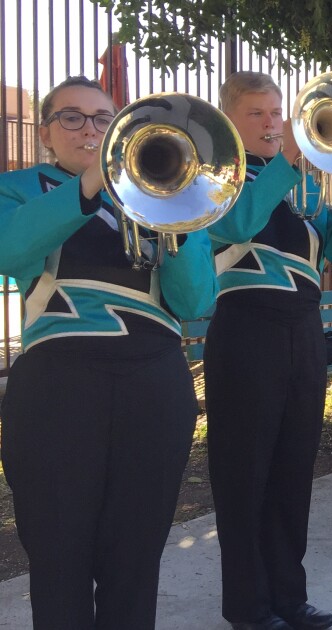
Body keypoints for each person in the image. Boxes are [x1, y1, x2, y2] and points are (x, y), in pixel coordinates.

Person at [0, 76, 218, 628]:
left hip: (155, 386)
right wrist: (93, 183)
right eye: (71, 117)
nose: (89, 129)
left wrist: (183, 218)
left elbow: (195, 300)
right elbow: (10, 249)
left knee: (136, 560)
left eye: (102, 118)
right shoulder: (20, 187)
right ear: (46, 133)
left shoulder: (154, 196)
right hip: (57, 387)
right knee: (59, 558)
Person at [204, 71, 332, 630]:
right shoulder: (212, 180)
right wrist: (286, 167)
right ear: (231, 120)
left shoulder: (301, 183)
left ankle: (287, 594)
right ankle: (248, 606)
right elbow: (237, 225)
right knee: (244, 473)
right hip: (246, 331)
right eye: (257, 113)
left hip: (304, 330)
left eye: (277, 113)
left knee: (292, 470)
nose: (273, 123)